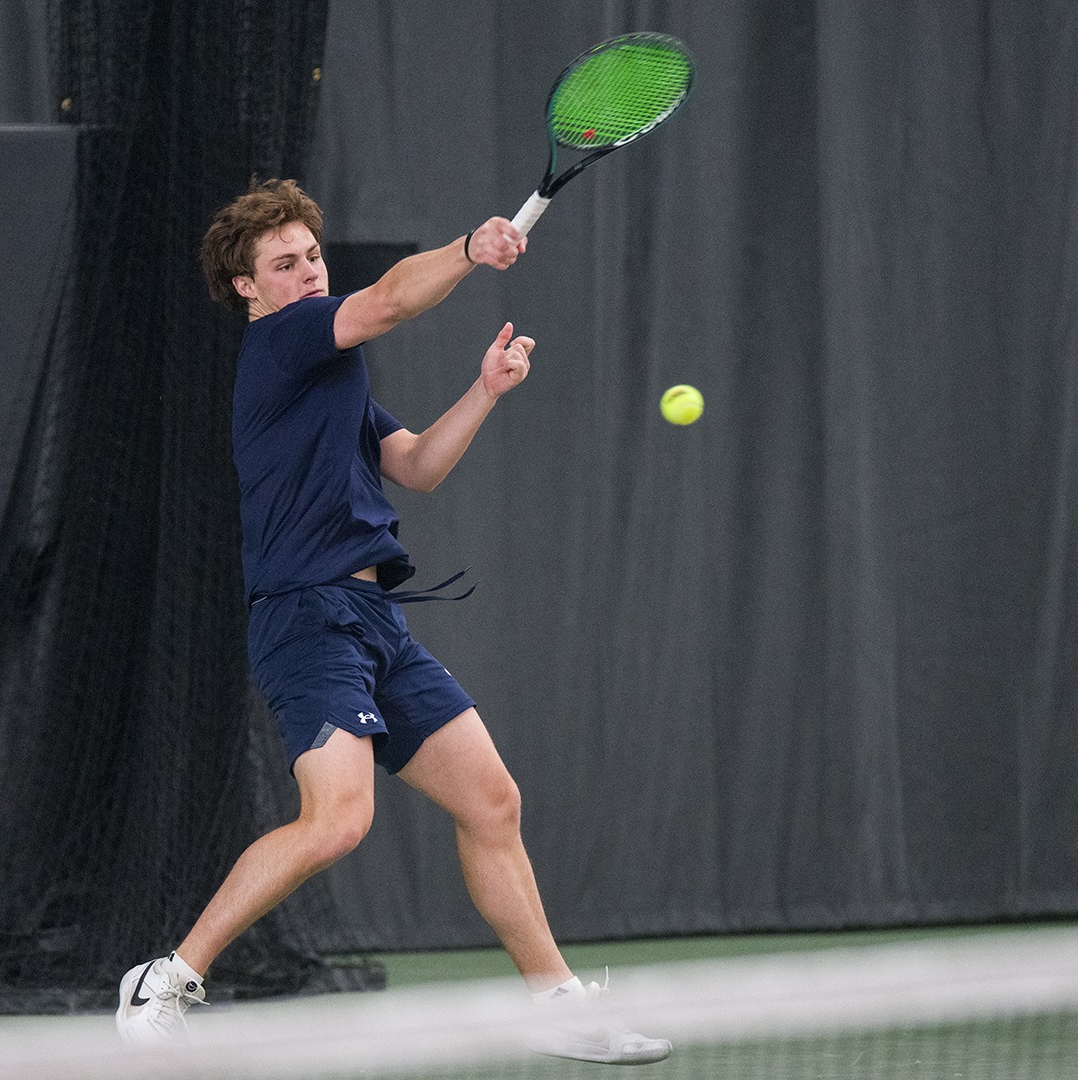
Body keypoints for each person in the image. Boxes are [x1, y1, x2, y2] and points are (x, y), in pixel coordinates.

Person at [113, 178, 670, 1066]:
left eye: (312, 257)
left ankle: (558, 1005)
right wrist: (470, 249)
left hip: (372, 617)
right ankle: (167, 977)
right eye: (284, 265)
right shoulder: (287, 339)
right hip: (307, 616)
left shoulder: (329, 377)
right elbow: (387, 302)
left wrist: (484, 391)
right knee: (337, 821)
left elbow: (413, 465)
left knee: (491, 802)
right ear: (248, 287)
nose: (307, 274)